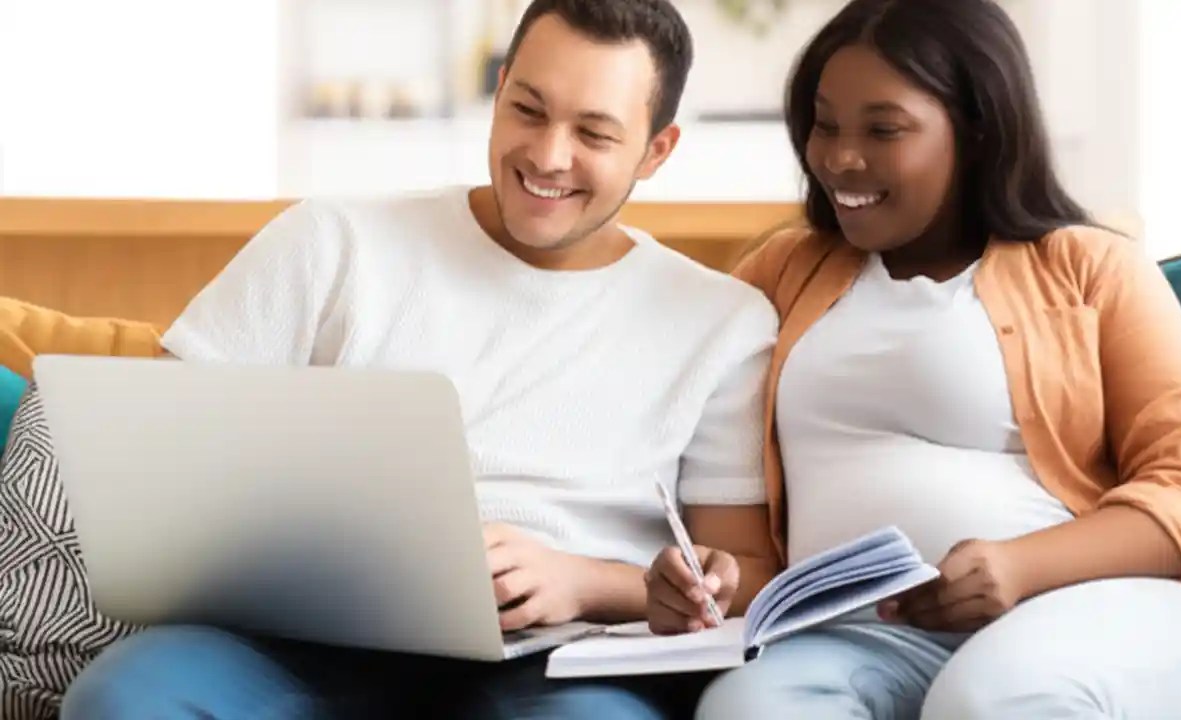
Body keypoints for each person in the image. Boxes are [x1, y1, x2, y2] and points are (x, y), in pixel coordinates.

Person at [60, 1, 780, 718]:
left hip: (559, 664)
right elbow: (153, 445)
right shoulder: (333, 241)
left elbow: (745, 573)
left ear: (656, 150)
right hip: (302, 642)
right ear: (498, 92)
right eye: (528, 110)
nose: (548, 155)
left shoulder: (720, 322)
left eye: (593, 132)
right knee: (128, 693)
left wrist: (588, 582)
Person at [644, 0, 1181, 718]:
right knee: (748, 709)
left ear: (977, 130)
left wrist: (1021, 566)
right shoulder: (778, 275)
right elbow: (718, 490)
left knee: (991, 699)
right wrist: (711, 578)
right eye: (825, 124)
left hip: (1097, 609)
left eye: (883, 129)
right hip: (862, 637)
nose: (840, 157)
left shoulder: (1090, 267)